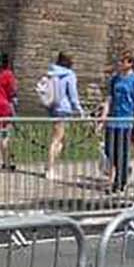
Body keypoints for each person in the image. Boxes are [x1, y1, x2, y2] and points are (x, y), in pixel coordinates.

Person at [96, 51, 134, 194]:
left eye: (123, 61)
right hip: (113, 119)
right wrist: (103, 118)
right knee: (109, 150)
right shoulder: (115, 79)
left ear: (130, 63)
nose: (120, 64)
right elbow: (109, 99)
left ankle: (119, 182)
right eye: (120, 61)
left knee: (122, 152)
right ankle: (121, 173)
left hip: (126, 120)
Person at [44, 52, 83, 180]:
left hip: (53, 106)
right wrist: (79, 109)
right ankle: (49, 168)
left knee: (59, 139)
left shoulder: (51, 72)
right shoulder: (69, 75)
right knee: (57, 140)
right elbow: (73, 95)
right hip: (64, 108)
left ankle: (50, 166)